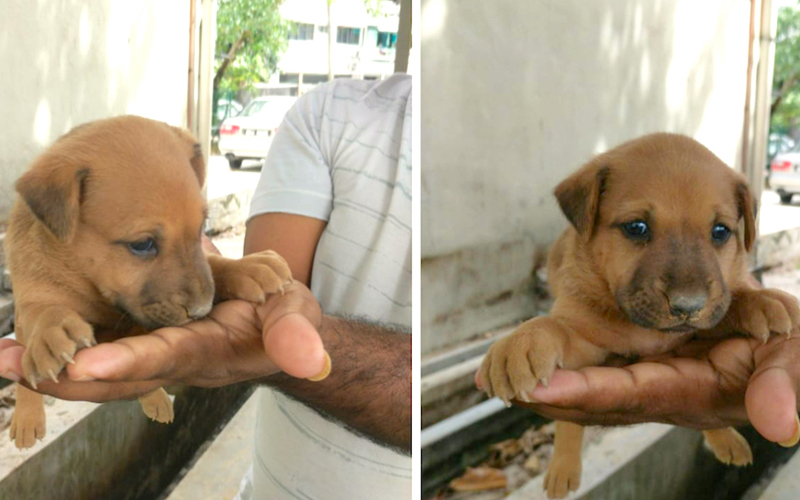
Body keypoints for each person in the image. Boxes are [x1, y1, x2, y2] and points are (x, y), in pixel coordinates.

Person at [0, 74, 412, 500]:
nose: (200, 299)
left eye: (199, 229)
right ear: (61, 213)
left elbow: (186, 261)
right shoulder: (43, 225)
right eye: (144, 244)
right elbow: (34, 309)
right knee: (34, 344)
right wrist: (47, 326)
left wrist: (224, 271)